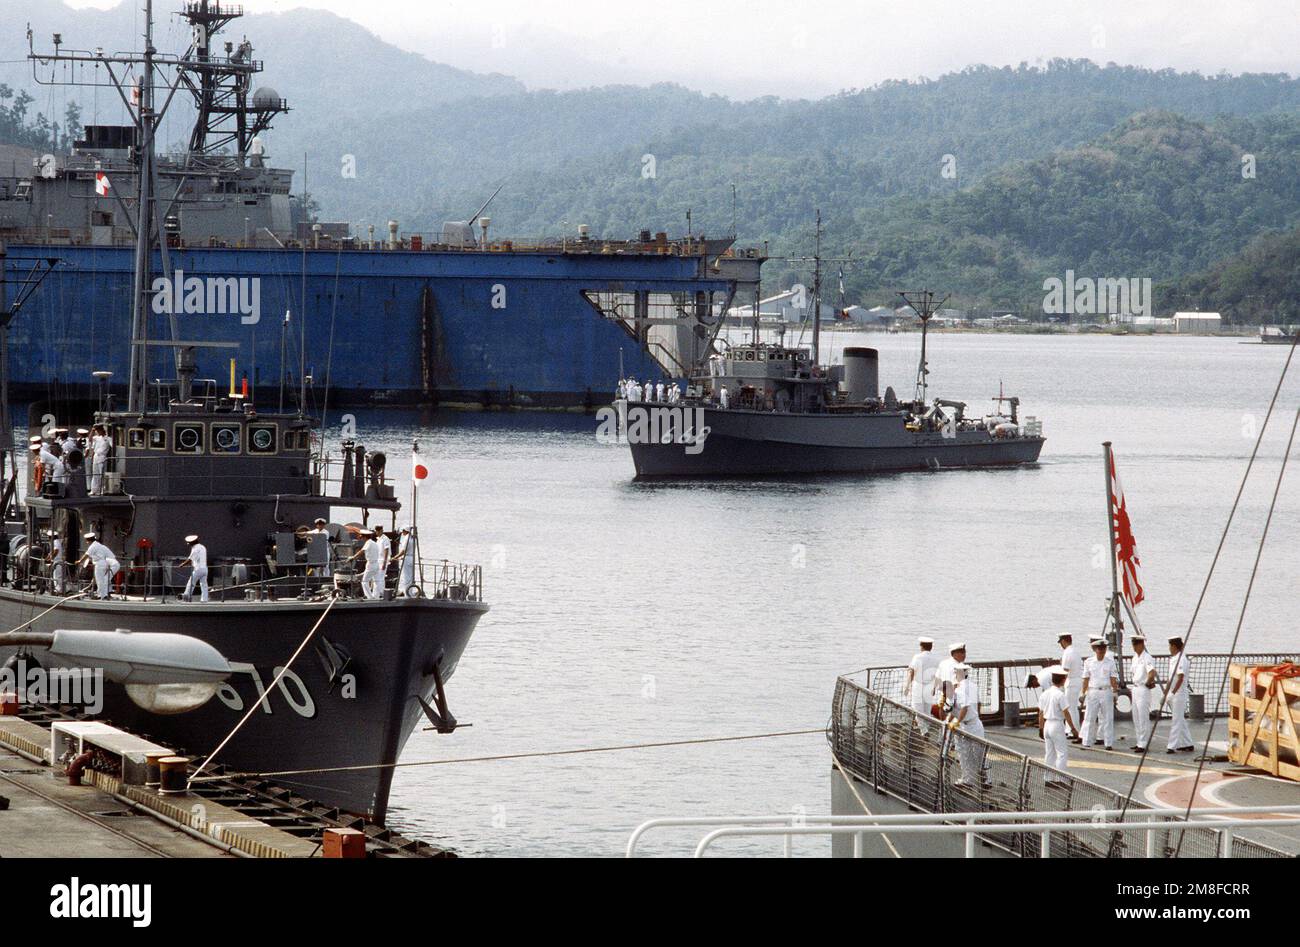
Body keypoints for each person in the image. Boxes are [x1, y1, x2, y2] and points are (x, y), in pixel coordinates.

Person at [946, 664, 990, 788]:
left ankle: (968, 780)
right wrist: (977, 717)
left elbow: (964, 707)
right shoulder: (974, 686)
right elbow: (978, 704)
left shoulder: (958, 689)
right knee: (979, 754)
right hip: (975, 723)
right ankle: (985, 779)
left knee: (964, 754)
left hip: (964, 725)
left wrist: (957, 721)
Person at [1038, 666, 1080, 786]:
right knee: (1062, 753)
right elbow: (1066, 713)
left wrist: (1040, 728)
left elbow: (1040, 713)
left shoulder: (1044, 694)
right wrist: (1073, 729)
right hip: (1056, 725)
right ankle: (1060, 780)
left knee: (1049, 753)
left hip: (1046, 724)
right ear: (1063, 680)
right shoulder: (1060, 695)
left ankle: (1048, 778)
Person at [1080, 638, 1119, 749]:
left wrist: (1115, 692)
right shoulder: (1088, 662)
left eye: (1103, 648)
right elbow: (1086, 679)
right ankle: (1086, 741)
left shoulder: (1110, 662)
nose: (1101, 651)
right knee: (1089, 717)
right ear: (1095, 649)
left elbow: (1113, 679)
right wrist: (1083, 693)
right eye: (1099, 648)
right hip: (1093, 691)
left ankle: (1108, 743)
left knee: (1108, 718)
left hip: (1106, 691)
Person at [903, 637, 941, 732]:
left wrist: (907, 686)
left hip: (918, 685)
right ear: (931, 647)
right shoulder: (936, 659)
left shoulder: (917, 657)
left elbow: (911, 672)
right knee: (927, 710)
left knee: (918, 710)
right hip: (929, 686)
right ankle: (926, 729)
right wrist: (934, 688)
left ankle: (923, 732)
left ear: (921, 646)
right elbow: (937, 675)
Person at [1128, 634, 1157, 752]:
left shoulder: (1147, 657)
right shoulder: (1135, 657)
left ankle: (1144, 743)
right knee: (1136, 717)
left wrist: (1146, 683)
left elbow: (1152, 673)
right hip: (1135, 688)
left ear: (1142, 644)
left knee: (1143, 717)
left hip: (1143, 689)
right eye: (1133, 644)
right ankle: (1139, 741)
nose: (1134, 647)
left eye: (1136, 644)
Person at [1165, 636, 1195, 753]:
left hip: (1179, 693)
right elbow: (1170, 678)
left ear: (1174, 647)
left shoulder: (1181, 659)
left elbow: (1180, 678)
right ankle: (1188, 743)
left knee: (1176, 720)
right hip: (1173, 692)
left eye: (1170, 646)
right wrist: (1165, 694)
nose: (1169, 648)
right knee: (1180, 719)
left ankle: (1172, 746)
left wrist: (1172, 693)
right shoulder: (1173, 659)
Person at [78, 532, 120, 600]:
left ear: (88, 540)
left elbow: (87, 555)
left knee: (100, 580)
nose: (86, 542)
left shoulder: (93, 546)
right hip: (110, 563)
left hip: (101, 564)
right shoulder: (101, 546)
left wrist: (79, 561)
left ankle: (102, 596)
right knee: (106, 579)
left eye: (87, 540)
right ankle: (107, 593)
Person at [1058, 633, 1083, 743]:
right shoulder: (1075, 651)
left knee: (1070, 708)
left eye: (1061, 643)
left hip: (1071, 682)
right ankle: (1070, 730)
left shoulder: (1067, 653)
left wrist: (1060, 685)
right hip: (1077, 680)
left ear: (1064, 641)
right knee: (1072, 708)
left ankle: (1074, 730)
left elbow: (1065, 671)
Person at [350, 528, 386, 600]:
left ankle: (369, 597)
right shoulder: (374, 543)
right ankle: (376, 596)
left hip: (371, 564)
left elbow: (361, 551)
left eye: (362, 536)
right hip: (376, 564)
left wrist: (353, 557)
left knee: (364, 581)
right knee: (376, 581)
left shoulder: (368, 543)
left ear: (364, 537)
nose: (361, 538)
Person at [932, 641, 966, 715]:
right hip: (955, 696)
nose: (964, 655)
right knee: (954, 716)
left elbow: (937, 677)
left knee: (943, 716)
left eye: (964, 652)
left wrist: (934, 689)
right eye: (962, 653)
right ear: (954, 654)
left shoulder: (943, 663)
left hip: (944, 694)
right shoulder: (960, 666)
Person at [179, 533, 209, 603]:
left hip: (198, 569)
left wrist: (182, 565)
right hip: (205, 568)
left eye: (189, 543)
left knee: (191, 583)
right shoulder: (203, 547)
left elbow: (190, 559)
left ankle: (186, 598)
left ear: (192, 542)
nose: (188, 544)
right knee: (204, 584)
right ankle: (204, 600)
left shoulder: (195, 548)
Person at [90, 424, 112, 495]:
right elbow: (89, 439)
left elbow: (113, 447)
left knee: (102, 475)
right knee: (95, 474)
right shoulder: (97, 438)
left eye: (98, 430)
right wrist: (92, 430)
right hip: (96, 457)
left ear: (102, 430)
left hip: (102, 457)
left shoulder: (108, 439)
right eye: (96, 431)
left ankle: (103, 490)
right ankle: (94, 490)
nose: (97, 432)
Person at [396, 526, 417, 594]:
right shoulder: (413, 538)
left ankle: (407, 593)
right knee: (410, 576)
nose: (402, 532)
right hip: (412, 557)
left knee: (406, 577)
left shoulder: (406, 538)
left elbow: (404, 551)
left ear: (405, 531)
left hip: (407, 558)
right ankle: (410, 592)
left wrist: (395, 557)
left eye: (403, 531)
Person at [46, 529, 66, 594]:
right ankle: (57, 589)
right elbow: (52, 551)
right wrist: (47, 558)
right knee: (55, 576)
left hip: (57, 562)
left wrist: (51, 558)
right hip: (56, 562)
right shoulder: (55, 542)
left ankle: (59, 590)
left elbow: (56, 551)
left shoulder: (55, 542)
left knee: (57, 576)